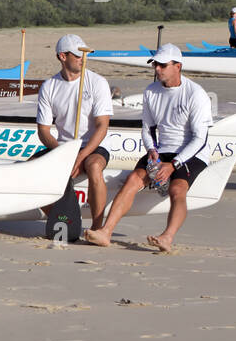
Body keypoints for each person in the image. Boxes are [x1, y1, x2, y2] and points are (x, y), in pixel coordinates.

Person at [85, 45, 211, 253]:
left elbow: (200, 139)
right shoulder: (151, 91)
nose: (157, 69)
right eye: (155, 64)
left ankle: (167, 238)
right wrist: (152, 149)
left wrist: (173, 165)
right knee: (134, 179)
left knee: (177, 189)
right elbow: (148, 128)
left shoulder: (195, 94)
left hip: (192, 152)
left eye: (163, 65)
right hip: (162, 149)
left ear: (177, 66)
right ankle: (106, 232)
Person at [35, 34, 113, 230]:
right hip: (64, 146)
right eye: (78, 55)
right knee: (28, 171)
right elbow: (43, 131)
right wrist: (63, 154)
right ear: (62, 56)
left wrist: (79, 158)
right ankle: (64, 220)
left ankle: (96, 228)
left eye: (85, 55)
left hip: (94, 147)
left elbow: (103, 125)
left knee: (94, 167)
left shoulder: (97, 82)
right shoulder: (49, 86)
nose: (82, 59)